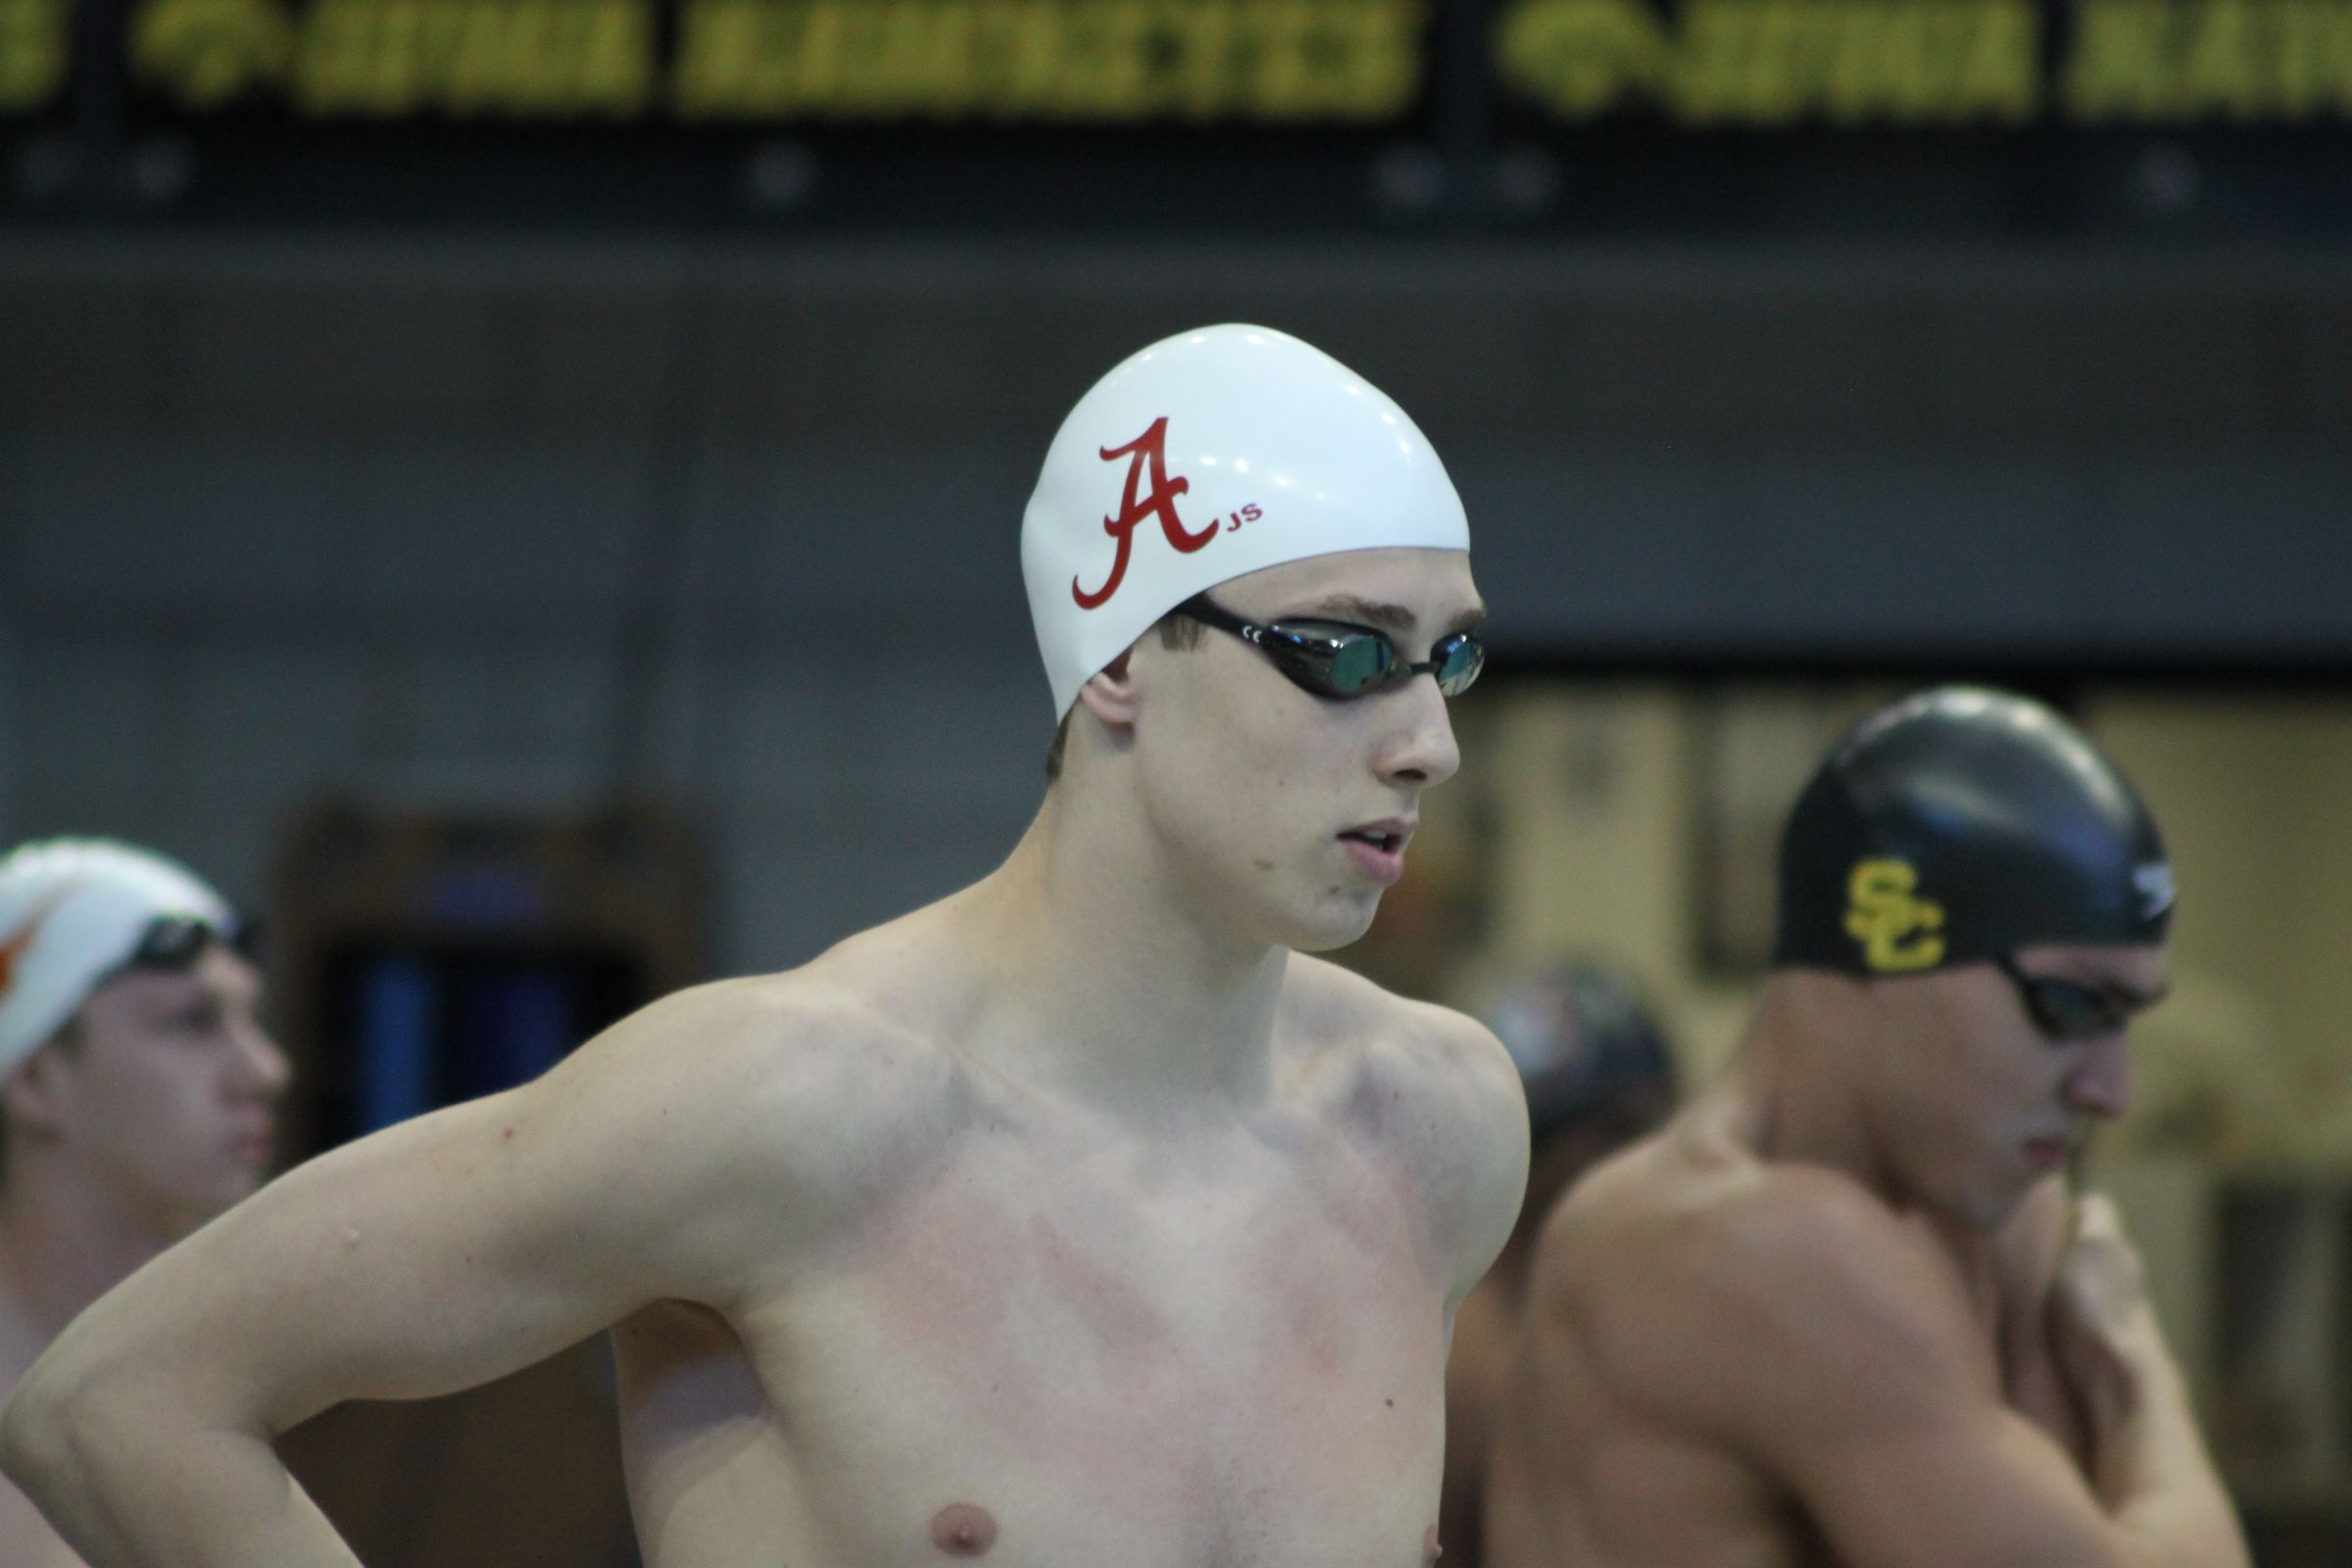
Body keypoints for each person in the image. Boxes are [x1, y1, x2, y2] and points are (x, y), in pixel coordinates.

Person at [3, 324, 1529, 1568]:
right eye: (1345, 652)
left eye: (1448, 656)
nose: (1428, 744)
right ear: (1122, 656)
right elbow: (123, 1401)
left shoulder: (1434, 1129)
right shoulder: (795, 1105)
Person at [1486, 686, 2250, 1568]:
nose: (2111, 1089)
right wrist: (2137, 1366)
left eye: (2127, 1019)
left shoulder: (1985, 1199)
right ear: (1885, 946)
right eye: (2069, 1004)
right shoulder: (1744, 1242)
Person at [0, 839, 290, 1568]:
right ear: (36, 1079)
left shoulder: (222, 1390)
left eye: (251, 1018)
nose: (264, 1069)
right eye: (191, 1022)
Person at [1441, 961, 1677, 1568]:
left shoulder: (1634, 1313)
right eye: (1615, 1133)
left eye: (1651, 1132)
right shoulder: (1470, 1357)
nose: (1642, 1162)